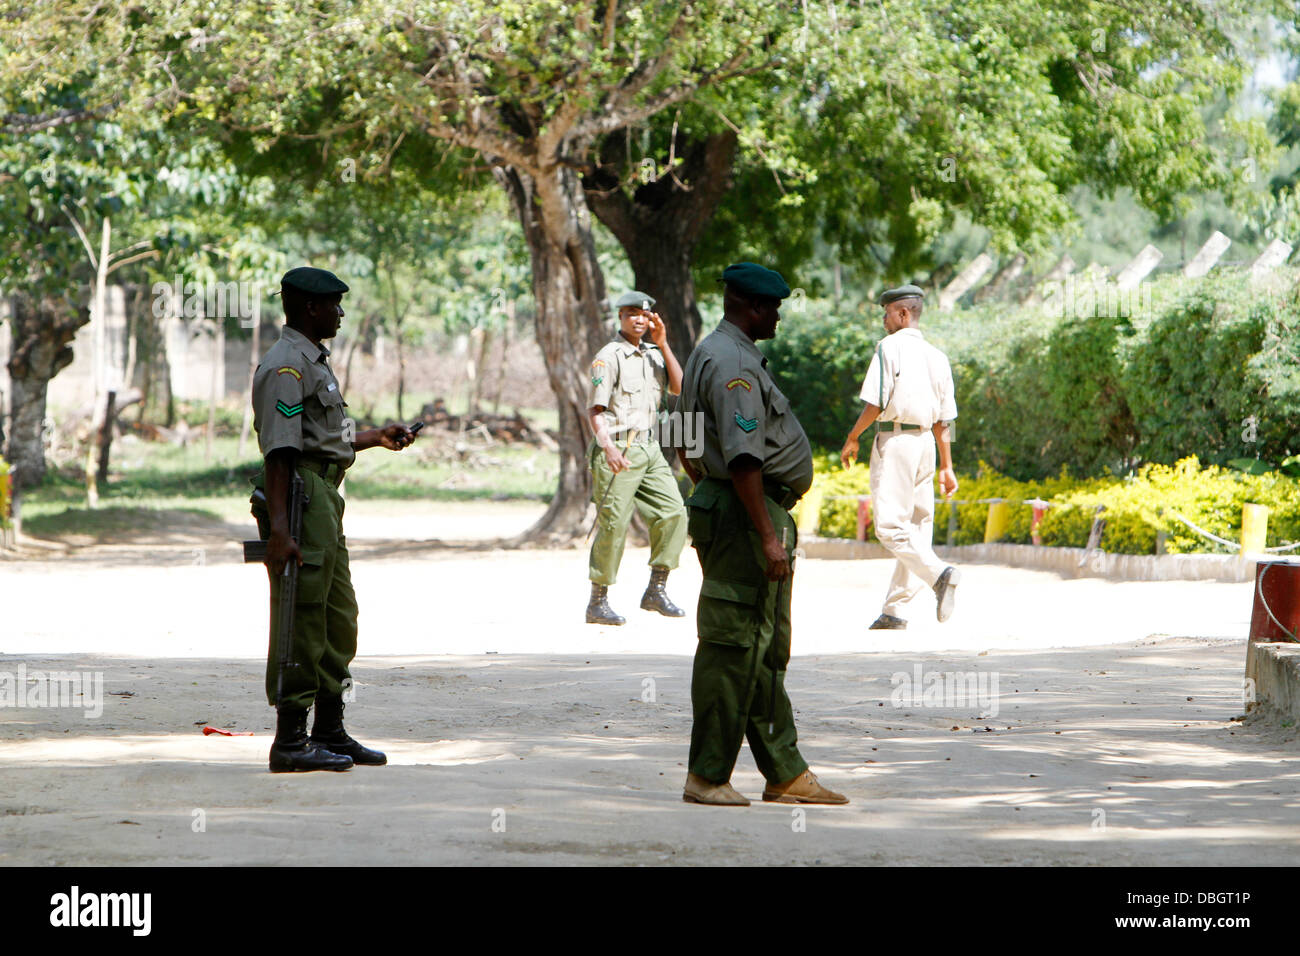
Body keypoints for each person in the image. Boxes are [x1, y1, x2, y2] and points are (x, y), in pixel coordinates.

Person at [676, 262, 848, 807]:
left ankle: (785, 772)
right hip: (748, 511)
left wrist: (706, 485)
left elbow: (679, 433)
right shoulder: (734, 365)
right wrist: (765, 534)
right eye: (773, 308)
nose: (777, 316)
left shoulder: (709, 351)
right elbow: (746, 458)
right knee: (733, 646)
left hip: (732, 506)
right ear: (753, 308)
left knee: (761, 646)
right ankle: (707, 776)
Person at [251, 266, 418, 773]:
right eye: (334, 305)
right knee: (301, 616)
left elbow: (320, 435)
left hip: (324, 494)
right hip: (299, 497)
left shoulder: (314, 361)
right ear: (309, 308)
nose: (341, 314)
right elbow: (280, 452)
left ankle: (329, 730)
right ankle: (290, 742)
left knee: (337, 617)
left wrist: (374, 437)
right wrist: (280, 532)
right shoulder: (286, 366)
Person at [839, 284, 961, 631]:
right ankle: (895, 611)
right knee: (917, 528)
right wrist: (947, 465)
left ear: (903, 314)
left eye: (888, 312)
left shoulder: (888, 347)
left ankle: (940, 574)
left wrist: (852, 437)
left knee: (890, 526)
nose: (884, 319)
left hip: (895, 441)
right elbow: (944, 420)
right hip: (924, 443)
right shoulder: (938, 356)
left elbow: (876, 402)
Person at [584, 290, 688, 625]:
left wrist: (665, 343)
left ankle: (656, 589)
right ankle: (597, 601)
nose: (639, 320)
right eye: (631, 314)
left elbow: (679, 388)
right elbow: (596, 410)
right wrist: (608, 448)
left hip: (650, 447)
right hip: (618, 448)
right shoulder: (608, 357)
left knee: (674, 513)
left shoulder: (655, 355)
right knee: (614, 525)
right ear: (621, 318)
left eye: (644, 314)